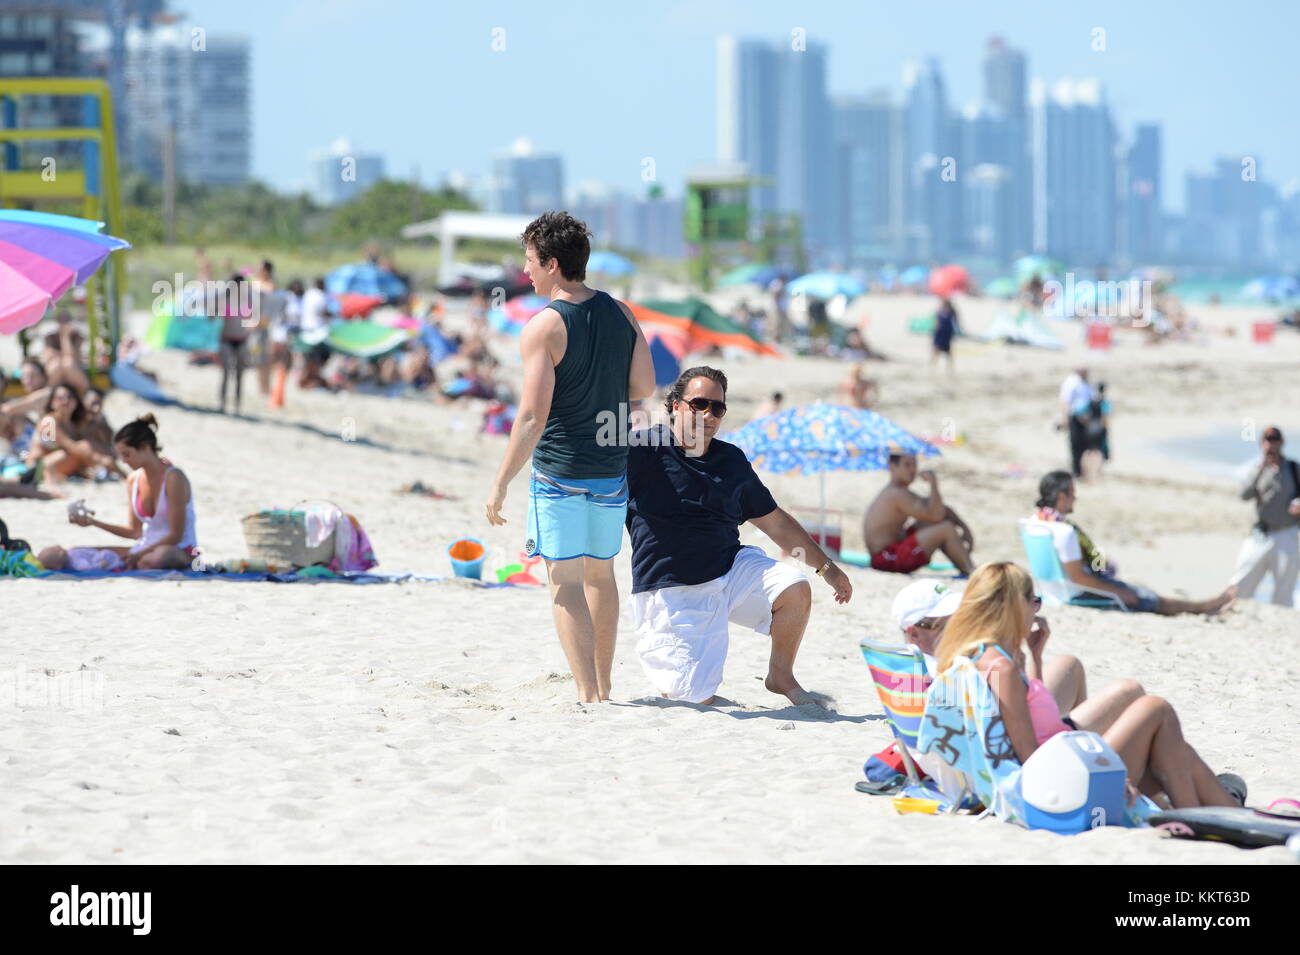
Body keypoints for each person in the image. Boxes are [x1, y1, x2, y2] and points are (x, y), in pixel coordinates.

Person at [484, 211, 655, 703]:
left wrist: (499, 483)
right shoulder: (621, 312)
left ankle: (587, 696)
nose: (527, 272)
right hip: (610, 468)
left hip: (560, 472)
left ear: (553, 264)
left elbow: (532, 420)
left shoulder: (543, 327)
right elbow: (643, 386)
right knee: (601, 574)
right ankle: (603, 685)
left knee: (565, 583)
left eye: (531, 263)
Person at [625, 366, 853, 706]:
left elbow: (774, 522)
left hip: (730, 571)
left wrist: (827, 569)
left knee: (793, 588)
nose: (708, 414)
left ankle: (781, 676)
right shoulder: (642, 450)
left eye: (717, 408)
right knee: (691, 700)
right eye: (698, 404)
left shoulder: (730, 459)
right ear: (675, 406)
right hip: (672, 588)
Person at [934, 562, 1244, 809]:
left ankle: (1225, 815)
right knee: (1155, 709)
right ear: (1015, 605)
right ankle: (1196, 820)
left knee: (1177, 752)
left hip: (1059, 770)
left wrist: (1035, 658)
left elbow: (1028, 726)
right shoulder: (1001, 668)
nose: (1036, 610)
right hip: (1061, 786)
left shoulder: (973, 657)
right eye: (1034, 602)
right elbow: (1031, 760)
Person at [892, 577, 1144, 735]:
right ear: (915, 633)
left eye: (961, 616)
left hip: (1004, 730)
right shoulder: (954, 670)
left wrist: (1033, 657)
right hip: (1016, 747)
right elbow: (1020, 721)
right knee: (1128, 691)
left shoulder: (909, 666)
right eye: (949, 622)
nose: (962, 624)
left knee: (1069, 664)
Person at [1031, 470, 1235, 615]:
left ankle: (1202, 604)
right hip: (1075, 594)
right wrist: (1118, 591)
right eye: (1073, 493)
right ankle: (1203, 606)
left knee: (1139, 589)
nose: (1076, 497)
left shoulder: (1035, 524)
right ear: (1061, 496)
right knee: (1148, 597)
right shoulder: (1063, 532)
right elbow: (1078, 578)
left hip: (1052, 592)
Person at [37, 414, 198, 572]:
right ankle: (140, 561)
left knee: (159, 557)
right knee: (74, 552)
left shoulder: (173, 478)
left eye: (127, 454)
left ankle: (140, 561)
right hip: (146, 548)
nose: (123, 461)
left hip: (181, 550)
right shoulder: (133, 480)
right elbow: (134, 532)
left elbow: (176, 535)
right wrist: (93, 522)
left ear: (145, 448)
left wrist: (139, 554)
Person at [863, 451, 975, 575]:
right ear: (892, 467)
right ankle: (970, 570)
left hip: (890, 552)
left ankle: (966, 567)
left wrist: (964, 527)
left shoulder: (897, 491)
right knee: (945, 528)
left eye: (914, 465)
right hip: (886, 558)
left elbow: (941, 511)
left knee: (937, 522)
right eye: (907, 465)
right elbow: (936, 514)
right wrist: (933, 483)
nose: (912, 470)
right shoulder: (897, 494)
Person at [1230, 426, 1300, 606]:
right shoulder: (1257, 469)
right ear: (1262, 443)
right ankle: (1231, 610)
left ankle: (1282, 623)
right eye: (1268, 440)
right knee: (1241, 582)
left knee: (1284, 589)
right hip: (1260, 534)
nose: (1271, 444)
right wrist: (1259, 469)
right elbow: (1243, 495)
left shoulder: (1293, 468)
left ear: (1281, 443)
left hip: (1287, 534)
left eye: (1275, 439)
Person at [26, 384, 116, 482]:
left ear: (76, 401)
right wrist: (100, 459)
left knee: (88, 445)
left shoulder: (72, 423)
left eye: (70, 397)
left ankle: (103, 469)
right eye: (60, 398)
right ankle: (107, 470)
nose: (65, 401)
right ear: (52, 403)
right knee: (81, 448)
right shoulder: (49, 421)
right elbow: (71, 446)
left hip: (58, 465)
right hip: (38, 469)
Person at [217, 273, 254, 415]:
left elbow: (251, 320)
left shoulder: (247, 301)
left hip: (241, 340)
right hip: (227, 339)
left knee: (239, 374)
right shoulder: (225, 300)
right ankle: (223, 403)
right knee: (226, 372)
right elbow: (213, 318)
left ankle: (237, 405)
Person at [1059, 366, 1094, 477]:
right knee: (1075, 444)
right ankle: (1076, 471)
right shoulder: (1072, 382)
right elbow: (1065, 401)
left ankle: (1083, 471)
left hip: (1087, 417)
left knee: (1085, 445)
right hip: (1075, 417)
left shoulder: (1086, 383)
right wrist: (1065, 418)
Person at [931, 297, 958, 372]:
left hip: (946, 332)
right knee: (937, 348)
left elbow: (956, 321)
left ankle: (947, 365)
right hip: (941, 331)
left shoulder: (951, 311)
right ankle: (934, 364)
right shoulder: (940, 310)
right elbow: (936, 322)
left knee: (946, 350)